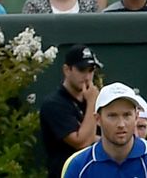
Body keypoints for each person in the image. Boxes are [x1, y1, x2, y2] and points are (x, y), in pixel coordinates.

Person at [41, 45, 104, 178]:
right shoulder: (54, 104)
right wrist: (92, 103)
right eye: (81, 70)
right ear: (67, 70)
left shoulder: (94, 100)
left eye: (91, 70)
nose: (87, 77)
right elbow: (82, 143)